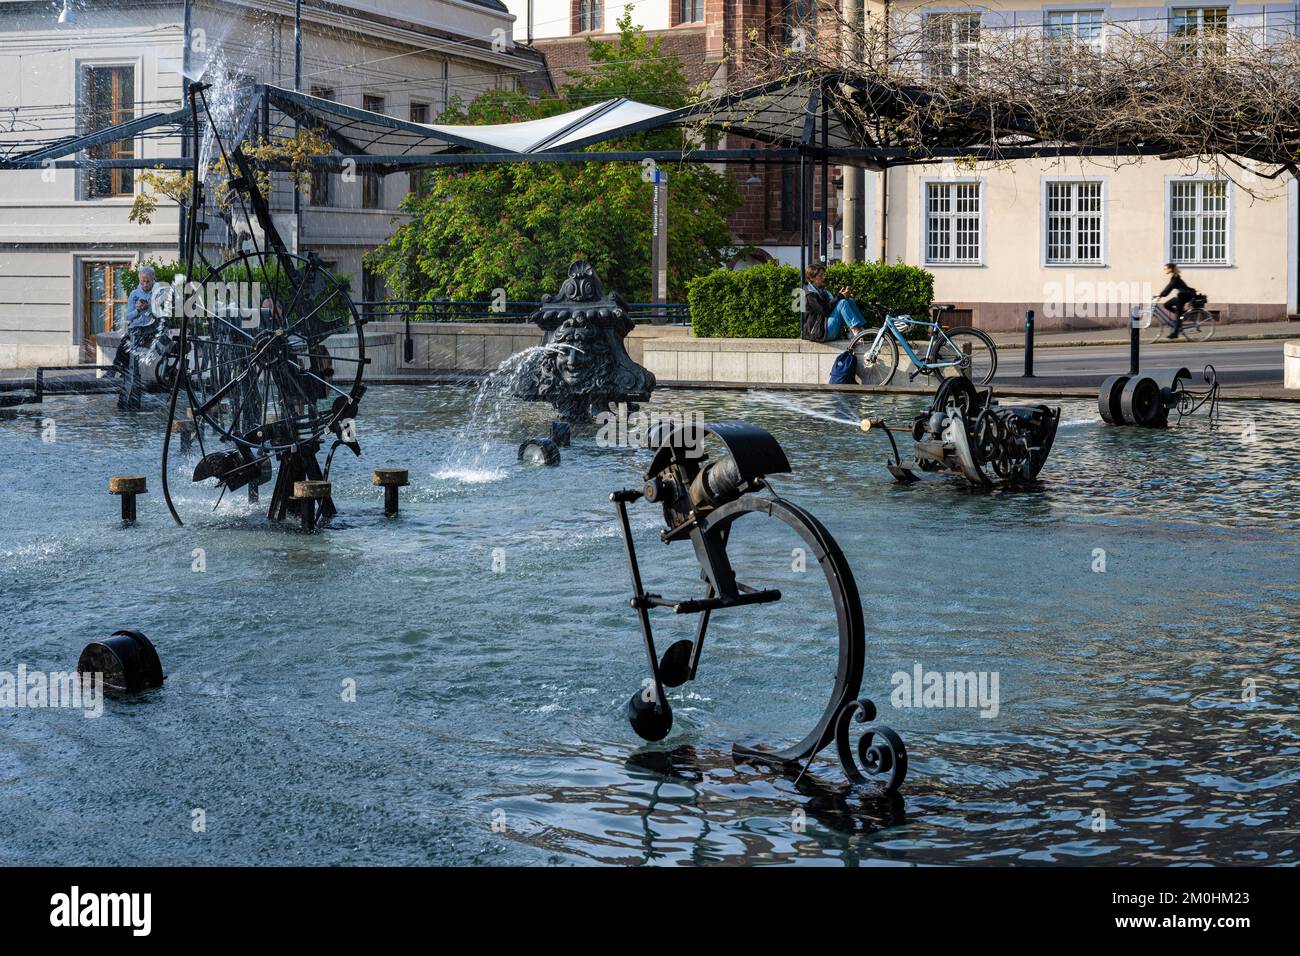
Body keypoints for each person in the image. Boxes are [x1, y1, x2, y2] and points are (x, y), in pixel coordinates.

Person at [801, 263, 870, 342]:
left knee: (849, 300)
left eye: (824, 275)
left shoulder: (822, 291)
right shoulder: (809, 294)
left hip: (827, 327)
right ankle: (856, 333)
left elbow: (832, 306)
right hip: (819, 332)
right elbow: (824, 311)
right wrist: (839, 297)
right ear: (812, 278)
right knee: (842, 303)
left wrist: (841, 296)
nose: (824, 277)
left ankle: (861, 329)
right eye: (820, 276)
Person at [1154, 262, 1197, 340]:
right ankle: (1181, 314)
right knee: (1166, 305)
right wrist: (1160, 295)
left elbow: (1168, 288)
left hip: (1184, 295)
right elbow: (1168, 288)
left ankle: (1175, 333)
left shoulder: (1175, 278)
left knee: (1178, 315)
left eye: (1165, 269)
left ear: (1170, 269)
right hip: (1182, 295)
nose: (1164, 270)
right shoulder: (1174, 277)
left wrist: (1160, 295)